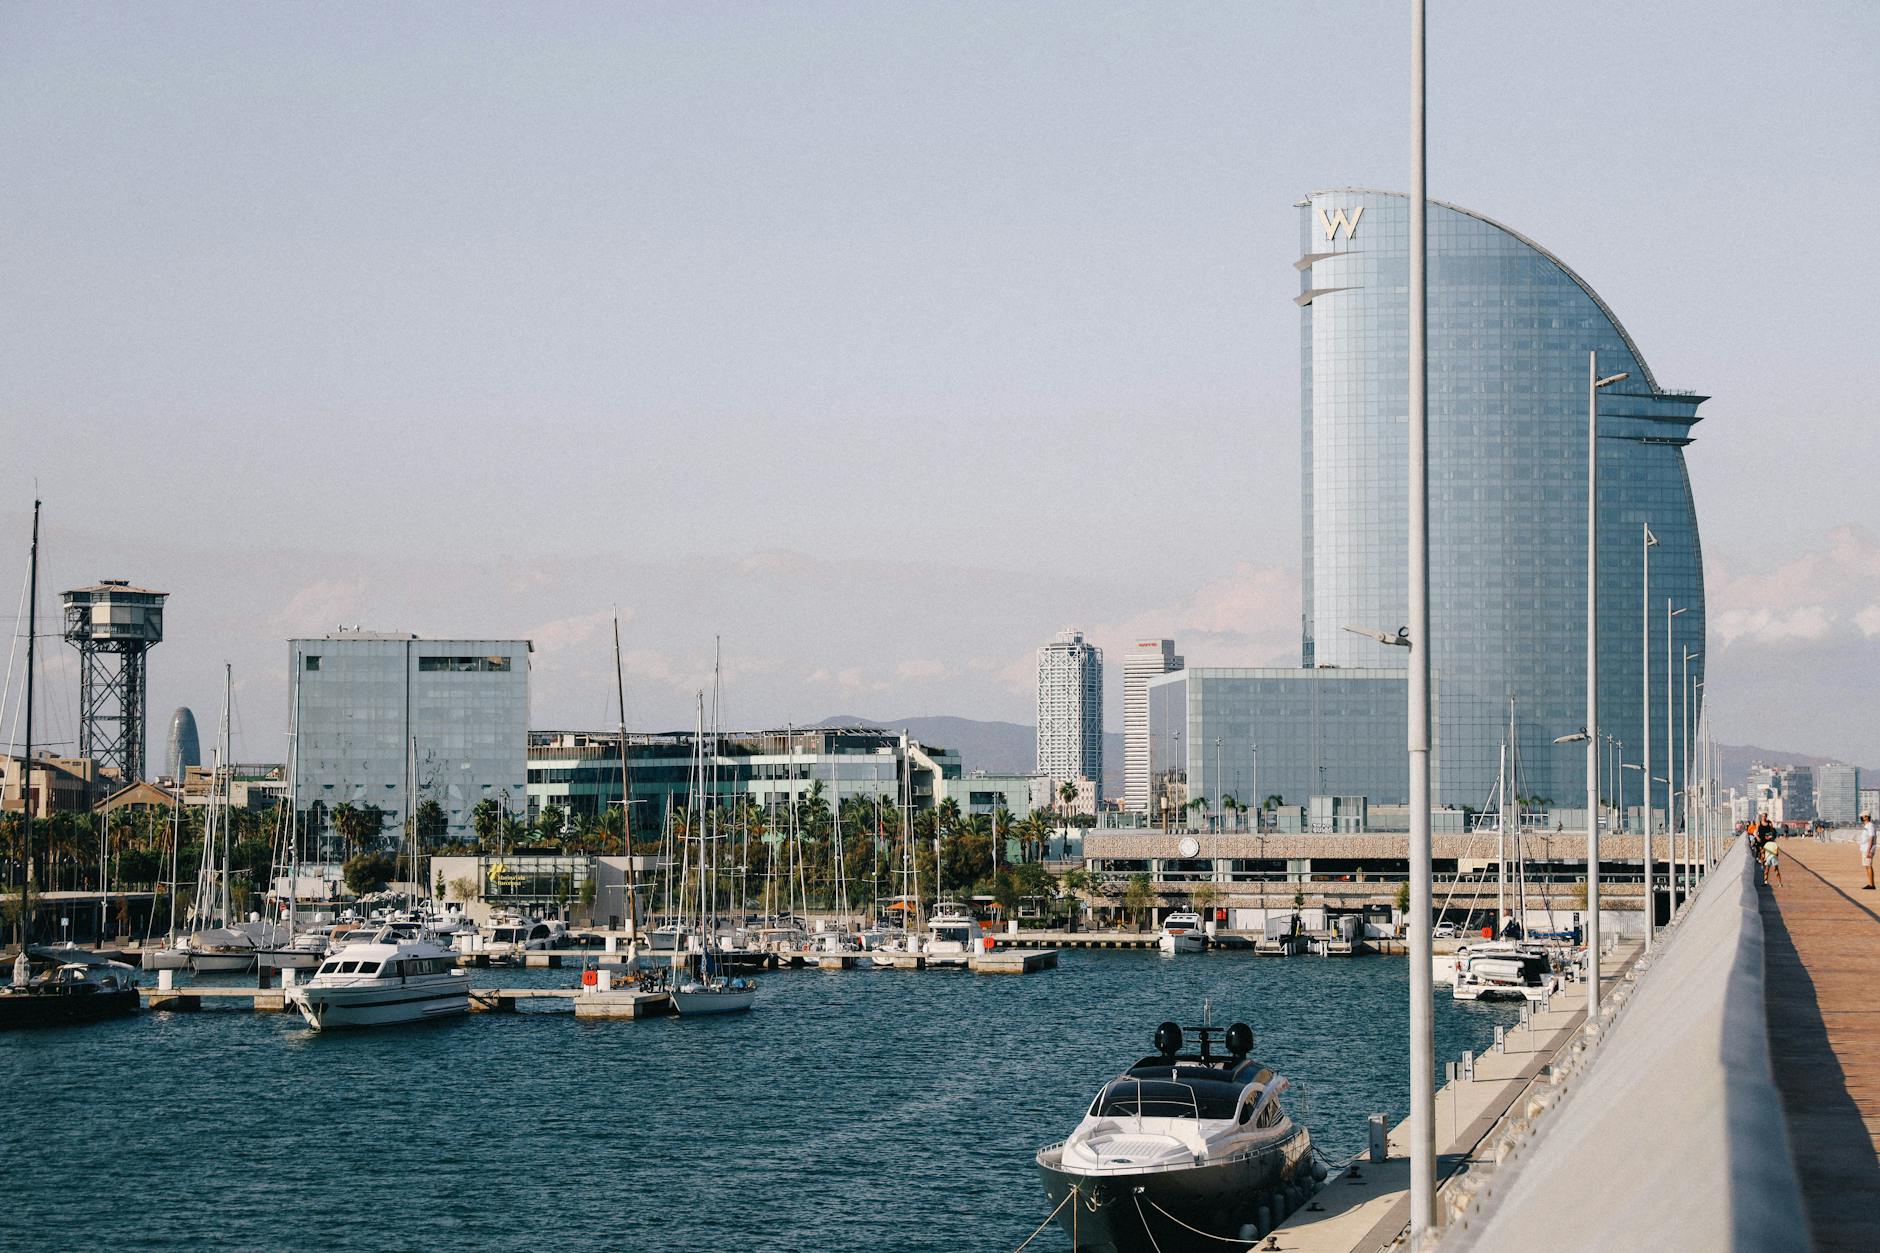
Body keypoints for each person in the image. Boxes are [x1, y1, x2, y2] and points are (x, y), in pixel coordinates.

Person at [1859, 814, 1876, 891]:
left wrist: (1869, 850)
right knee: (1867, 865)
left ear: (1866, 817)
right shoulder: (1867, 826)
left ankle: (1871, 884)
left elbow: (1871, 838)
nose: (1861, 817)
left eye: (1863, 816)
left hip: (1867, 849)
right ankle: (1870, 883)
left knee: (1869, 865)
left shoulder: (1870, 825)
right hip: (1865, 848)